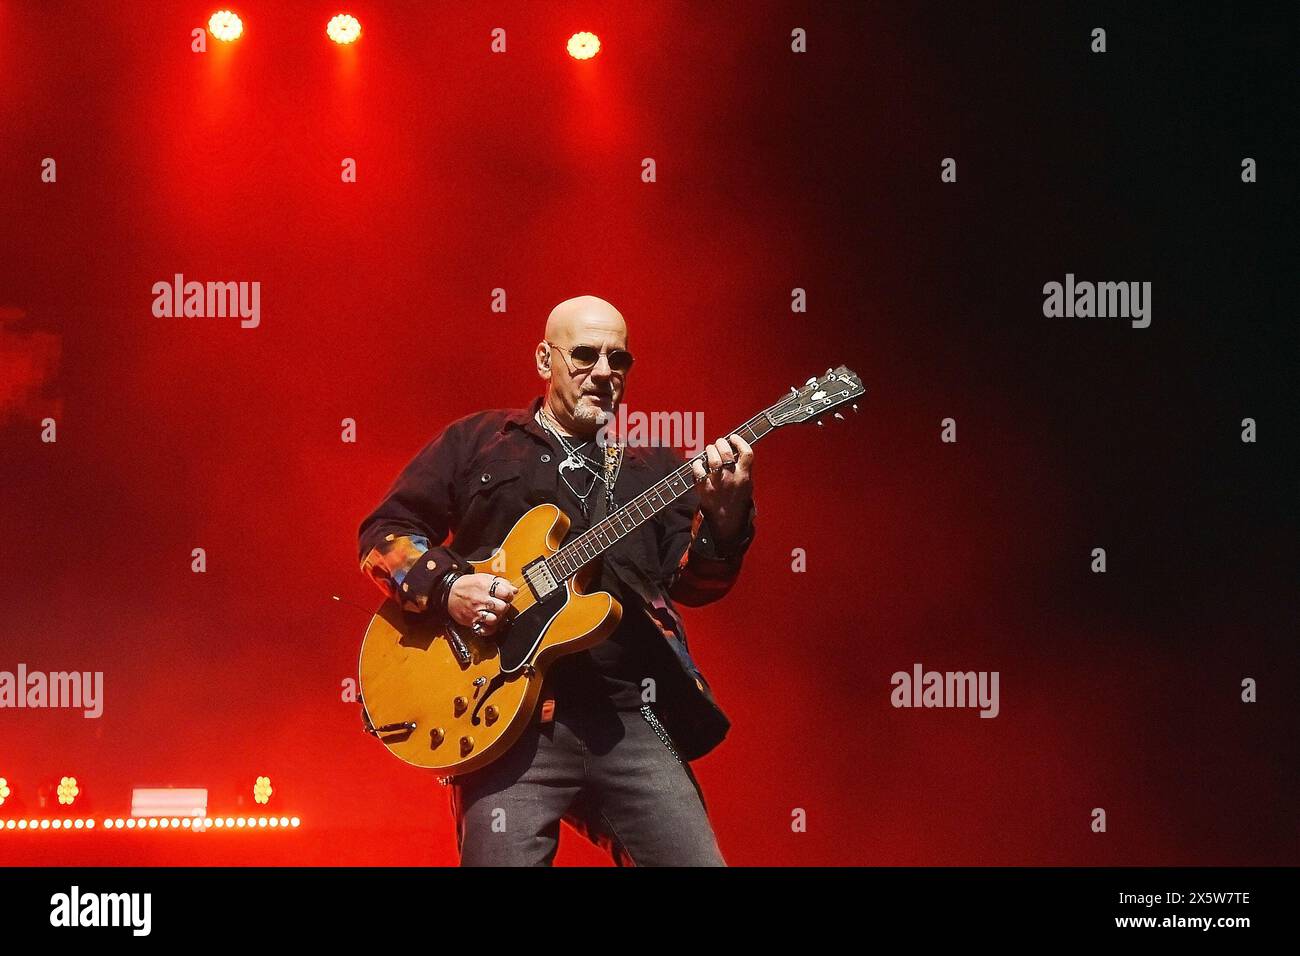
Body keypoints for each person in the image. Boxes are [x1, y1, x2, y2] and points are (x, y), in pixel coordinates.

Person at [357, 294, 756, 865]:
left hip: (626, 721)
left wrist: (726, 517)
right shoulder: (479, 442)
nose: (603, 374)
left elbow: (698, 585)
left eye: (618, 361)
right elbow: (384, 533)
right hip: (504, 722)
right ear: (545, 361)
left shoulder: (654, 470)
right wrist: (450, 589)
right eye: (585, 356)